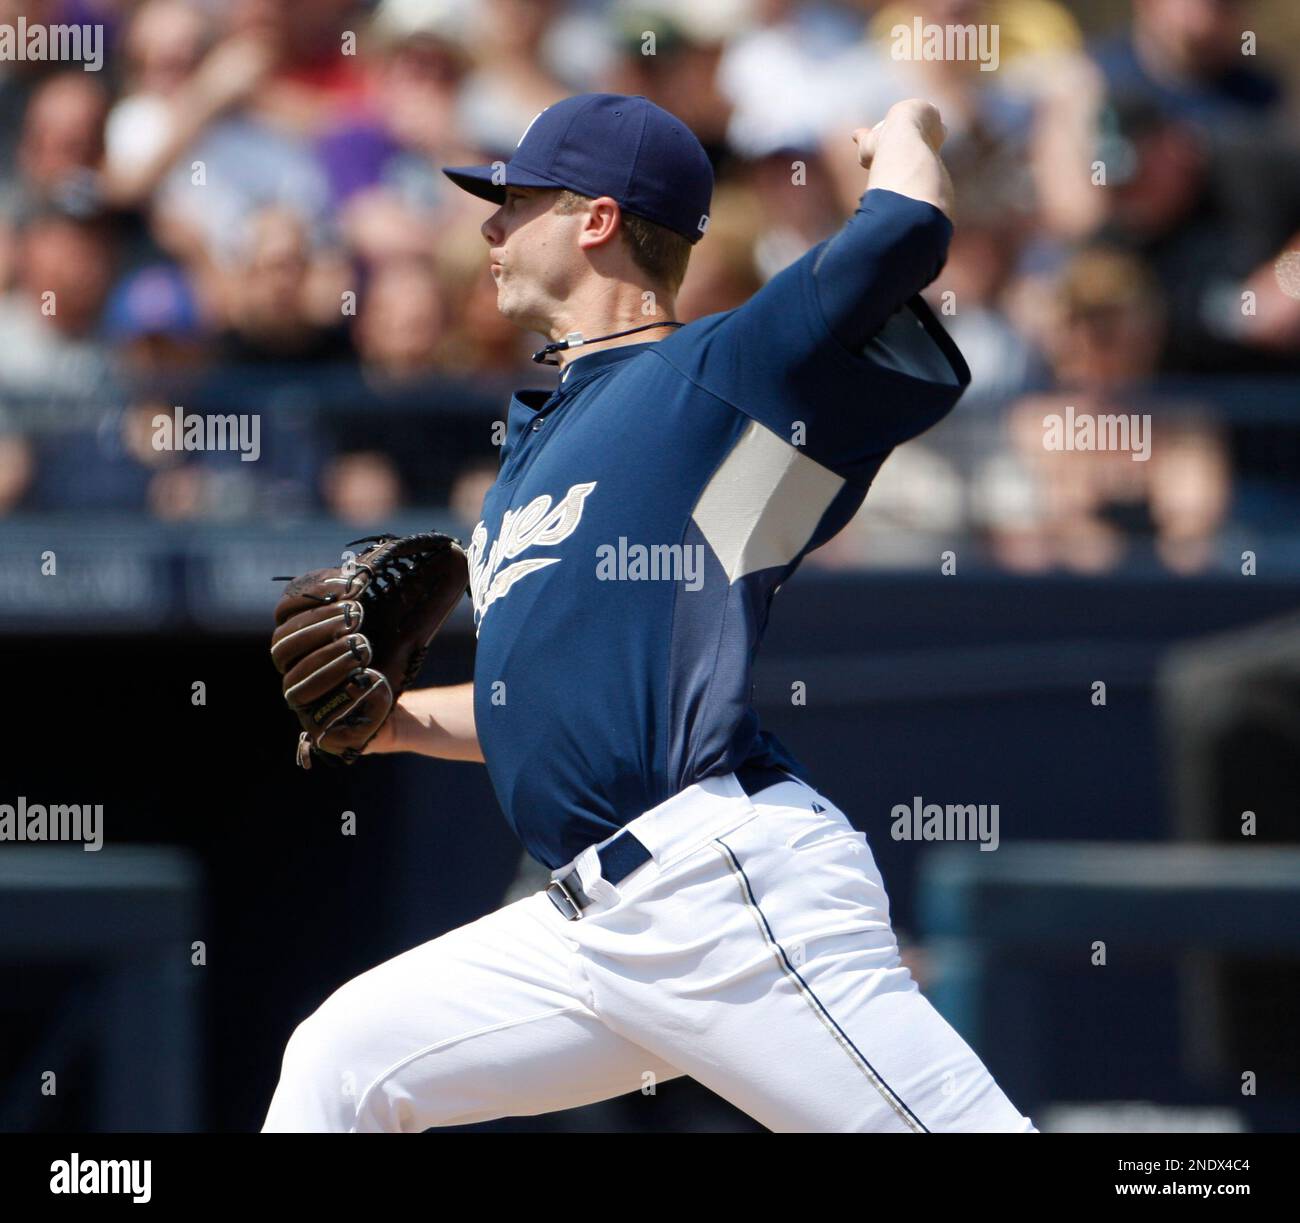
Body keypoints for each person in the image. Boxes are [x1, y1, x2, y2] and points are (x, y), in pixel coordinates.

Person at [263, 92, 1036, 1133]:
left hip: (722, 892)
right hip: (587, 929)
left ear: (595, 219)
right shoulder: (537, 442)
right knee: (339, 1060)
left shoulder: (715, 374)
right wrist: (394, 722)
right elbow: (545, 707)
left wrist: (906, 131)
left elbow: (903, 230)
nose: (489, 228)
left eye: (514, 202)